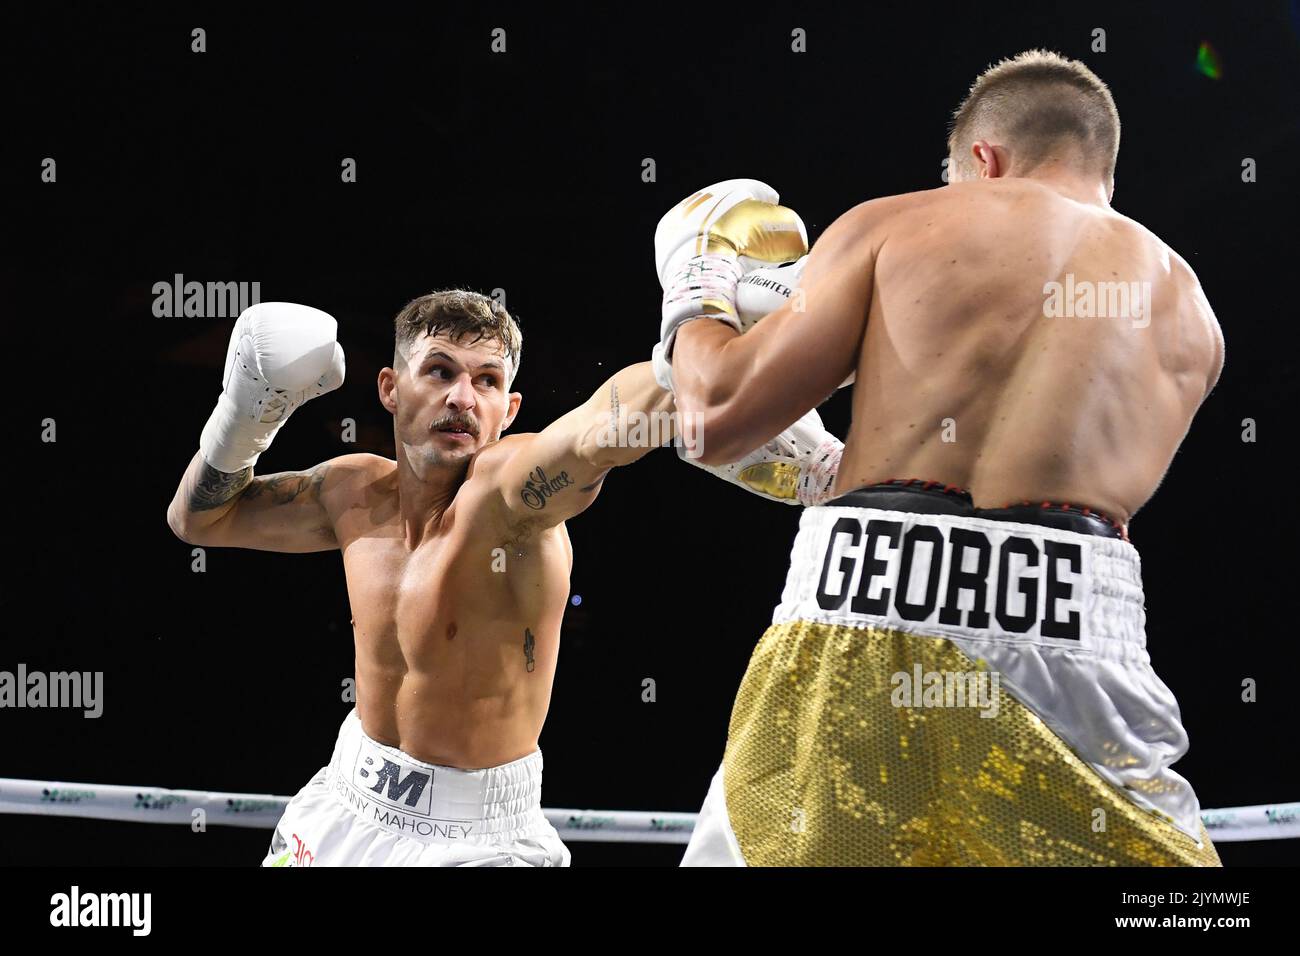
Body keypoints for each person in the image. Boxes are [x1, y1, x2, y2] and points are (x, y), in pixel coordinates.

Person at [660, 50, 1225, 866]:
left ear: (984, 160)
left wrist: (699, 287)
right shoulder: (1190, 314)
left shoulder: (898, 225)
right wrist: (835, 470)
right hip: (1081, 642)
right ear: (1101, 165)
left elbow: (712, 415)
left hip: (862, 619)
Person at [167, 287, 841, 866]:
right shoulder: (351, 493)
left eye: (487, 381)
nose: (463, 397)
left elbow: (592, 436)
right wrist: (245, 418)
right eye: (439, 372)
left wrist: (699, 355)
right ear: (389, 389)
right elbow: (201, 522)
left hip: (475, 840)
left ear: (509, 411)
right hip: (346, 801)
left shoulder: (506, 498)